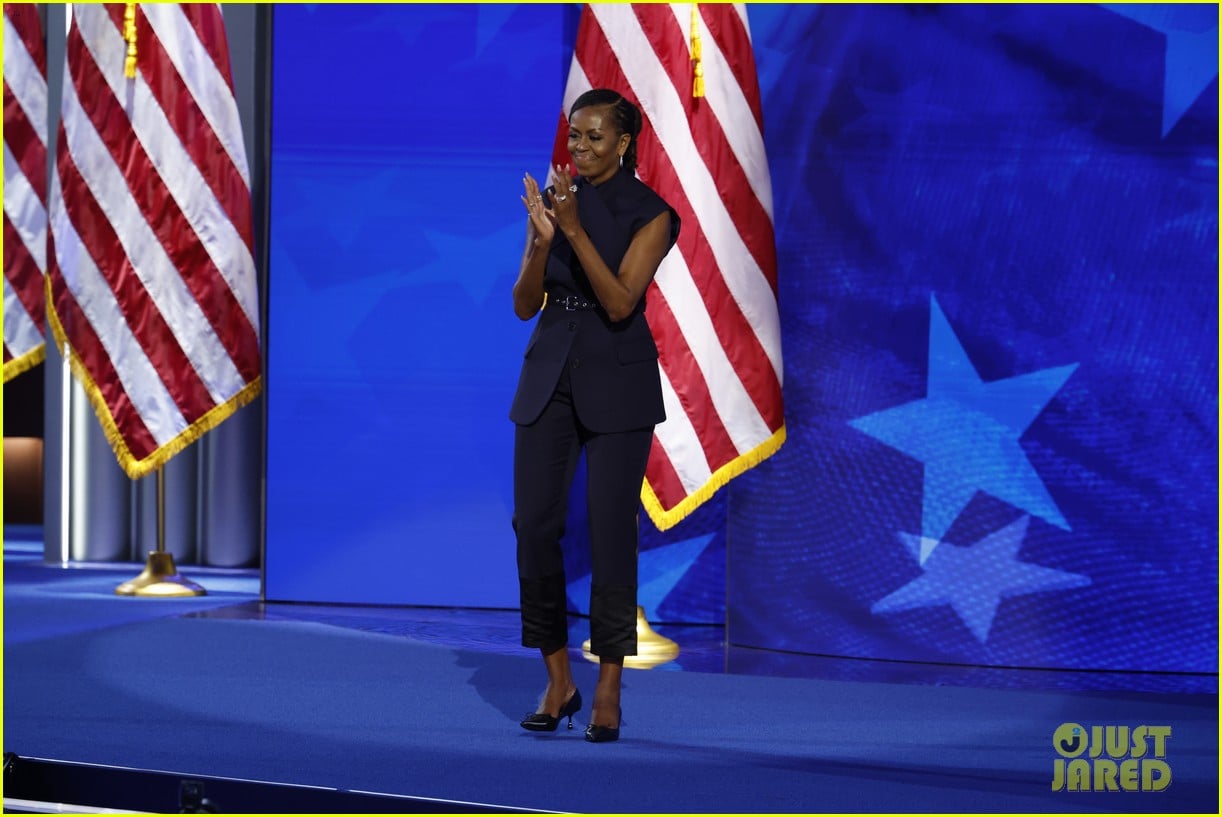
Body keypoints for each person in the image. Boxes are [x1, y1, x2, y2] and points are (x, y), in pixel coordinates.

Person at [509, 89, 680, 743]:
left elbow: (618, 302)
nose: (579, 148)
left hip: (618, 381)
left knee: (611, 532)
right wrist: (539, 243)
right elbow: (526, 305)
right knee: (533, 525)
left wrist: (574, 231)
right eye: (574, 137)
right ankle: (559, 678)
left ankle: (607, 686)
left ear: (625, 142)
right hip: (549, 375)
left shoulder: (653, 214)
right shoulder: (556, 204)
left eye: (594, 137)